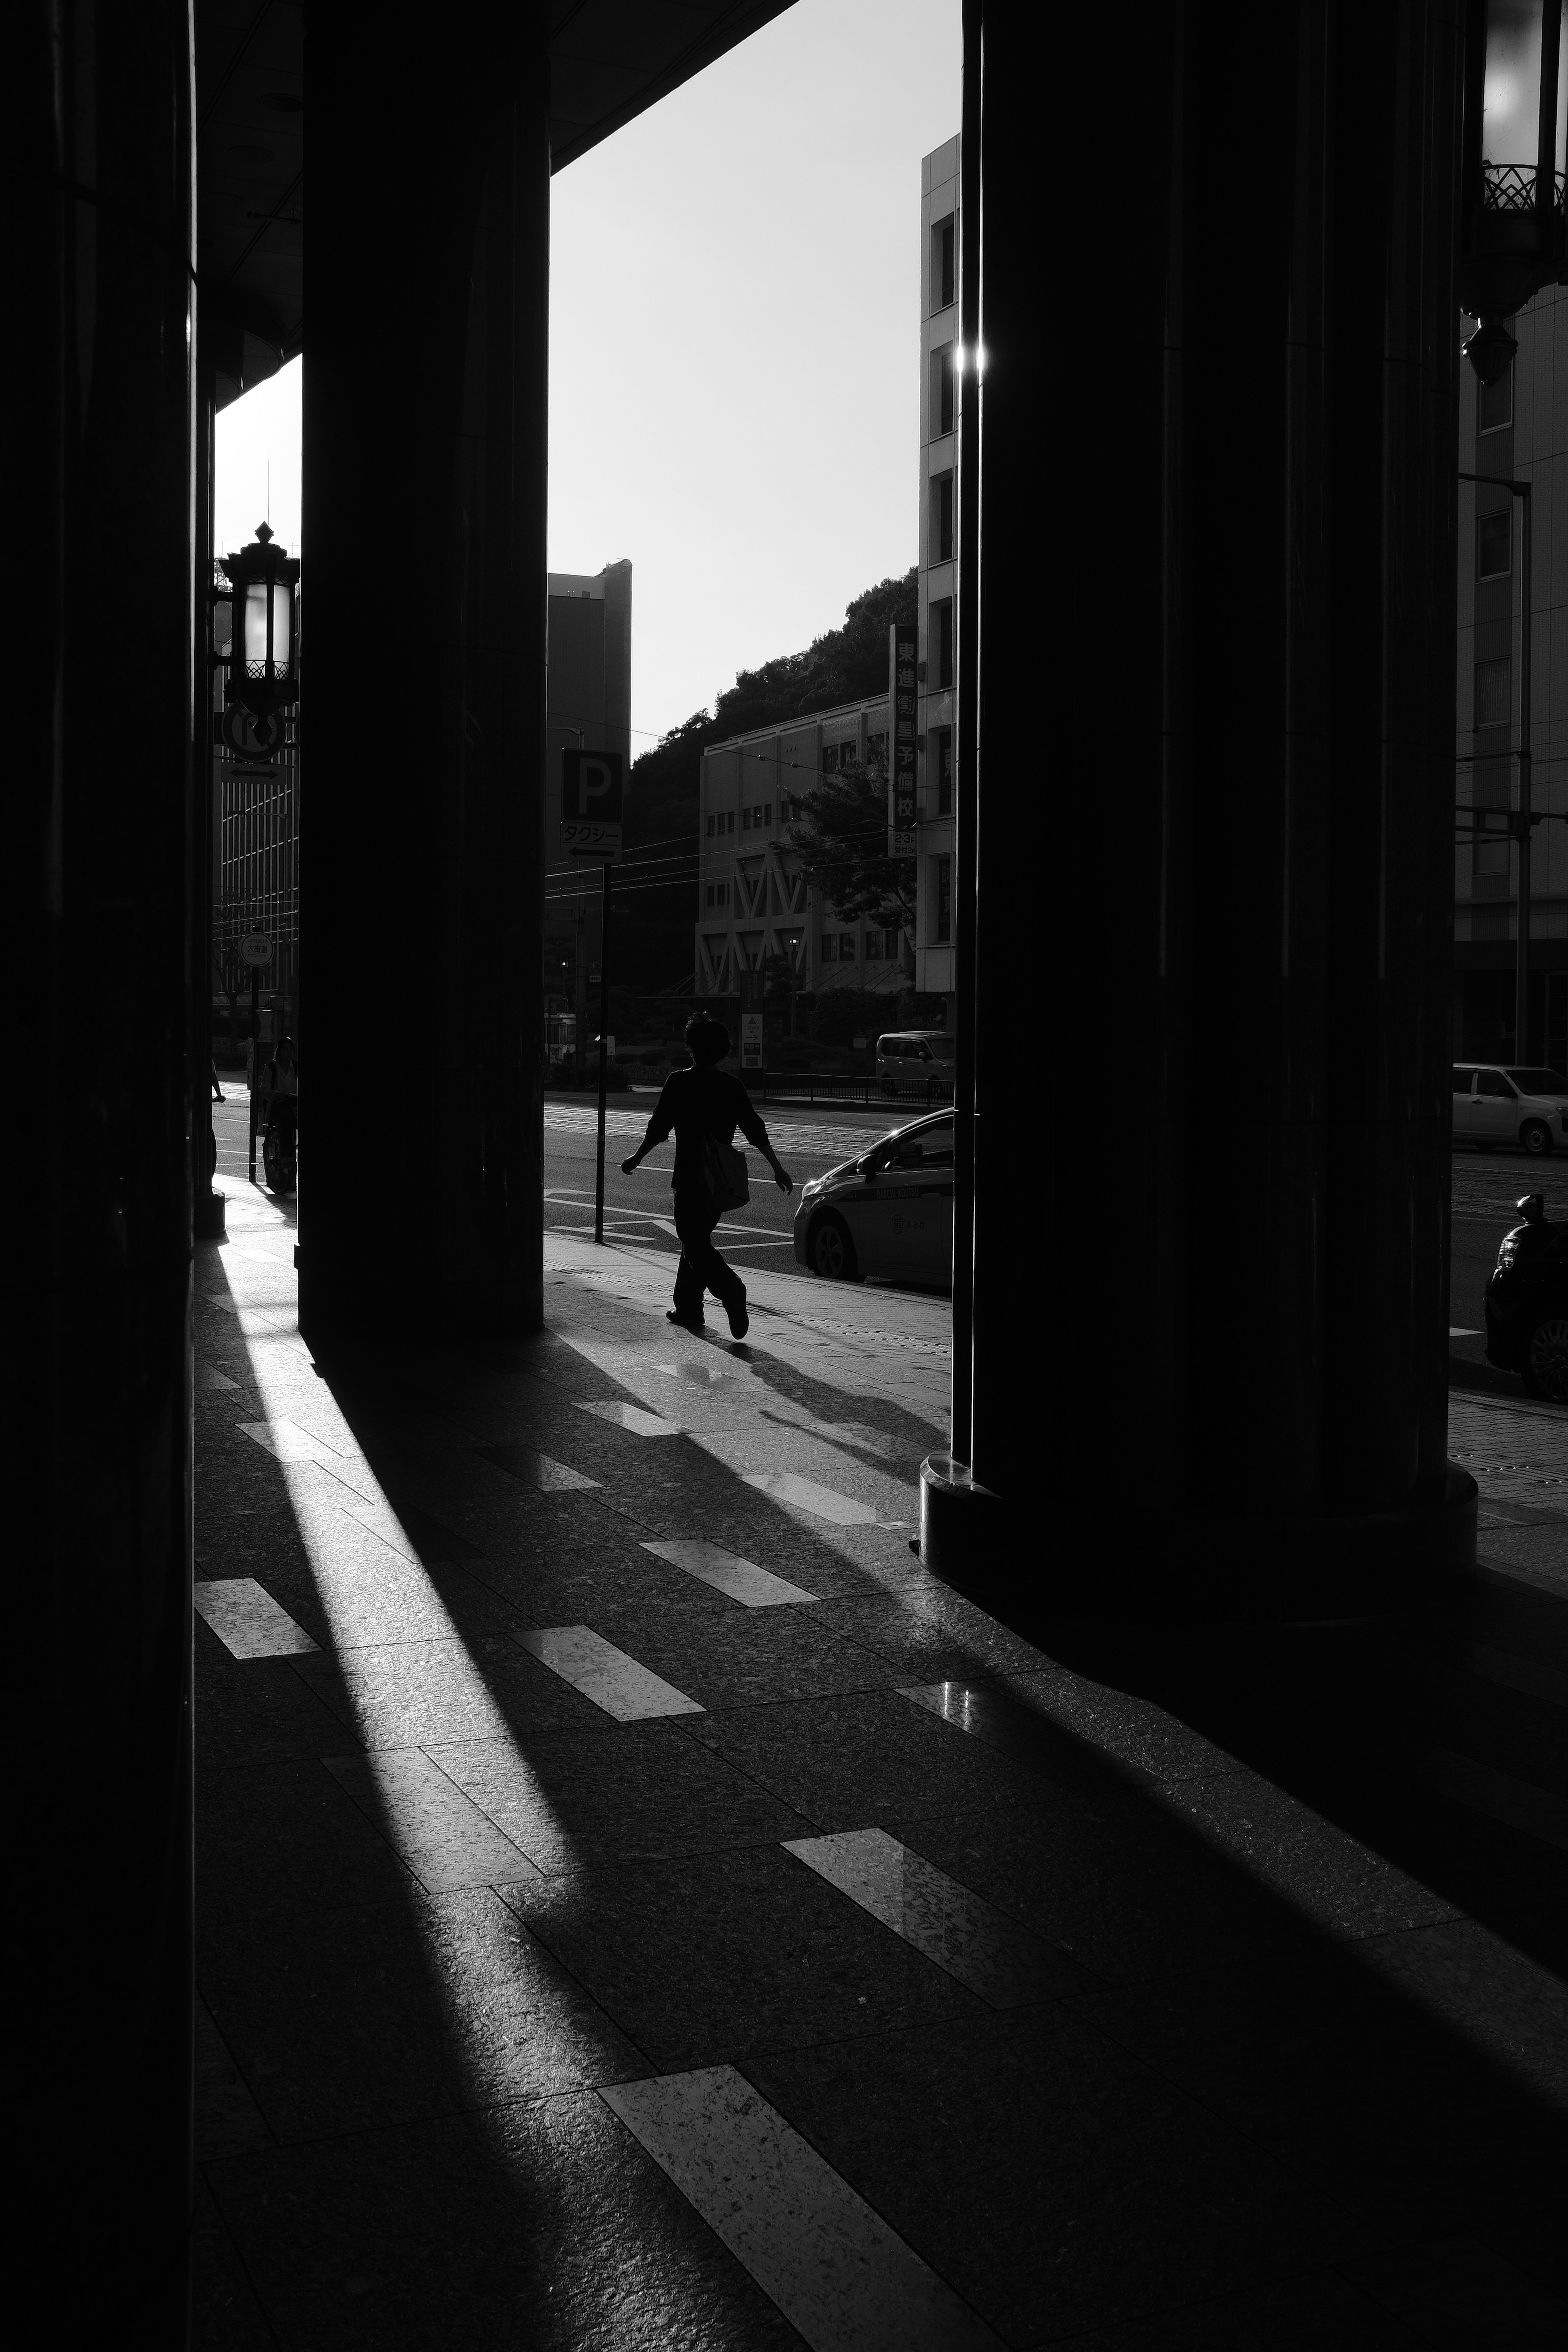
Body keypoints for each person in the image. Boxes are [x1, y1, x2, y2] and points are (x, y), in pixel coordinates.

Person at [621, 1014, 792, 1338]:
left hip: (689, 1175)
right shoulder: (731, 1085)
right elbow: (755, 1129)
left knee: (693, 1241)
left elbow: (659, 1127)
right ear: (725, 1051)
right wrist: (777, 1167)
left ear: (691, 1048)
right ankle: (688, 1309)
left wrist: (637, 1158)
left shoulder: (680, 1081)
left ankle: (730, 1289)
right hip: (720, 1179)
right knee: (695, 1239)